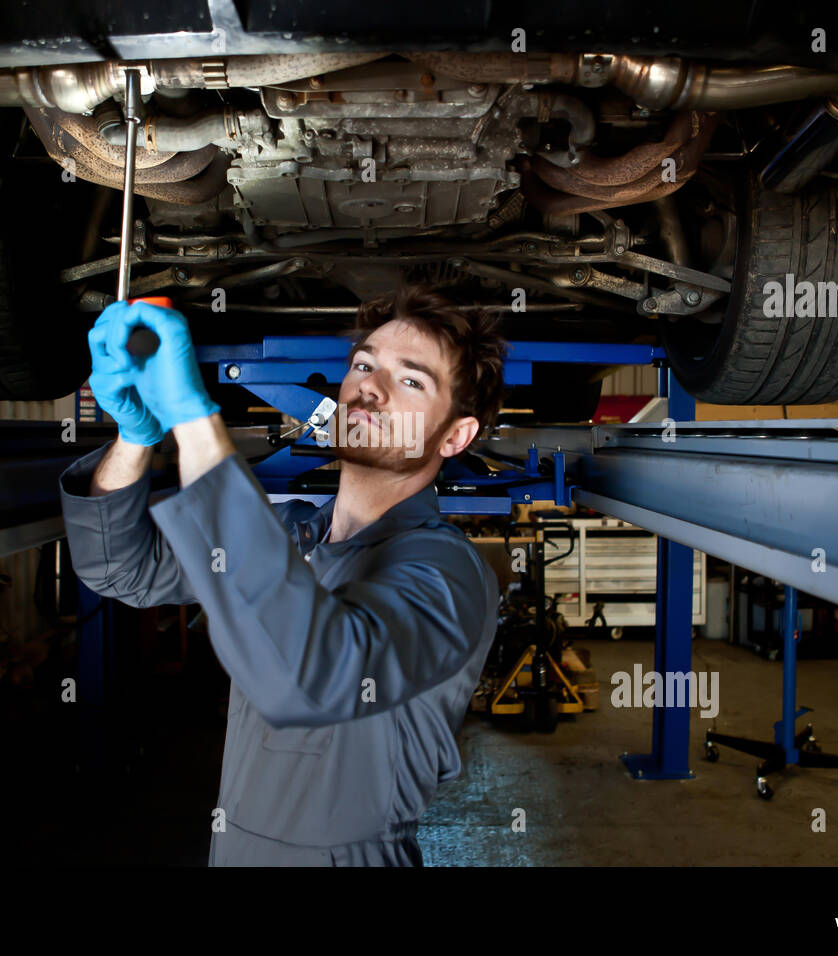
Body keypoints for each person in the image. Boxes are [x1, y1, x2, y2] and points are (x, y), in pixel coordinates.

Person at [59, 282, 507, 866]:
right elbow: (121, 571)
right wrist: (137, 436)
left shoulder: (447, 571)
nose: (369, 386)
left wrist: (194, 417)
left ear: (456, 435)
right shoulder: (294, 533)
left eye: (411, 380)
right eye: (363, 365)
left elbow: (307, 678)